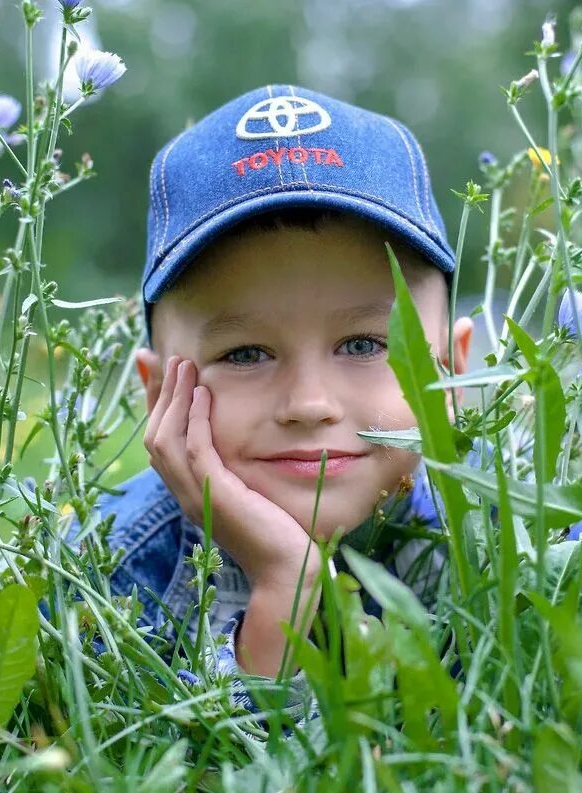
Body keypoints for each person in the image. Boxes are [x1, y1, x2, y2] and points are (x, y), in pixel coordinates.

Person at [91, 84, 479, 717]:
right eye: (245, 354)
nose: (309, 403)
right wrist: (284, 584)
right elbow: (193, 767)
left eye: (363, 343)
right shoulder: (115, 570)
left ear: (452, 374)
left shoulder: (507, 542)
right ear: (161, 392)